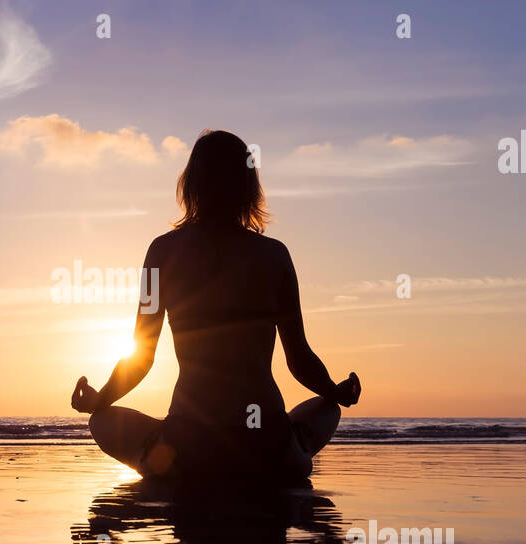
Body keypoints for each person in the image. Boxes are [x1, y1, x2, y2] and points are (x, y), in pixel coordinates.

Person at [70, 129, 360, 487]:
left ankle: (161, 461)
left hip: (190, 447)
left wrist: (100, 398)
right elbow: (299, 360)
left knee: (100, 421)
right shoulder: (275, 255)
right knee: (326, 409)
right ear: (248, 186)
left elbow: (142, 357)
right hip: (266, 445)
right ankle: (293, 449)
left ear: (191, 184)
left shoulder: (160, 252)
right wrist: (336, 392)